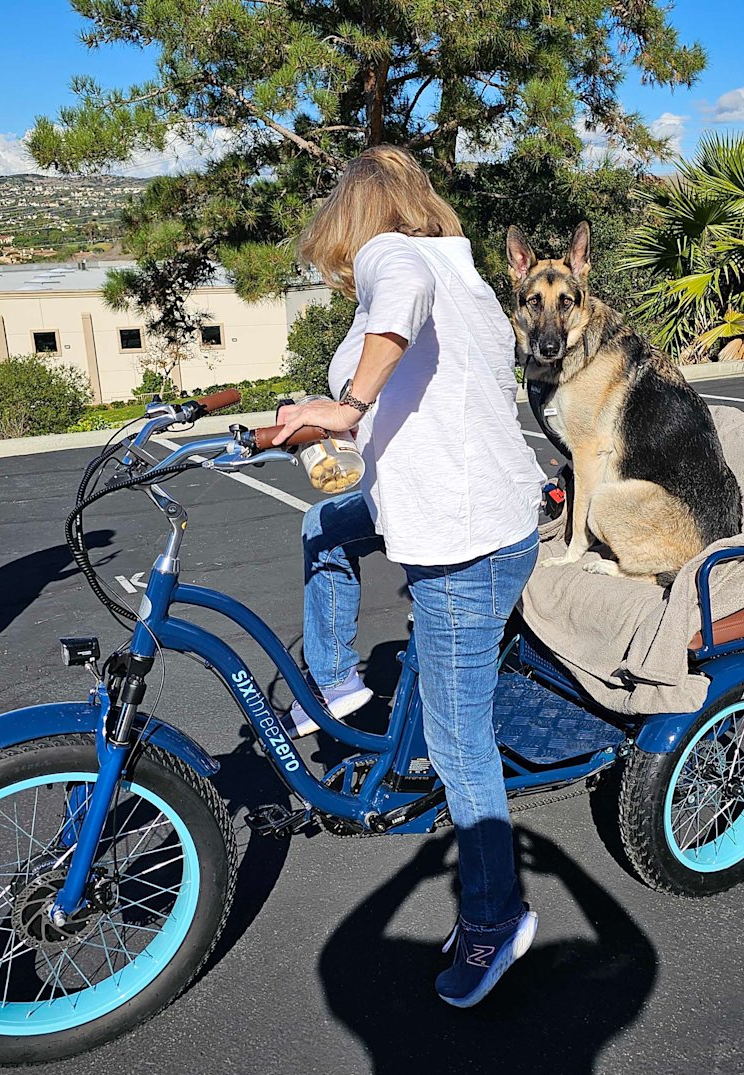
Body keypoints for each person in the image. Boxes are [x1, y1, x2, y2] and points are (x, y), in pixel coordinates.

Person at [274, 145, 546, 1007]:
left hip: (464, 541)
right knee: (324, 524)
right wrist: (306, 420)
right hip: (483, 510)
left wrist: (346, 405)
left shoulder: (396, 255)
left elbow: (398, 299)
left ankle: (497, 917)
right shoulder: (464, 277)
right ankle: (337, 680)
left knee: (459, 742)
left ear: (357, 215)